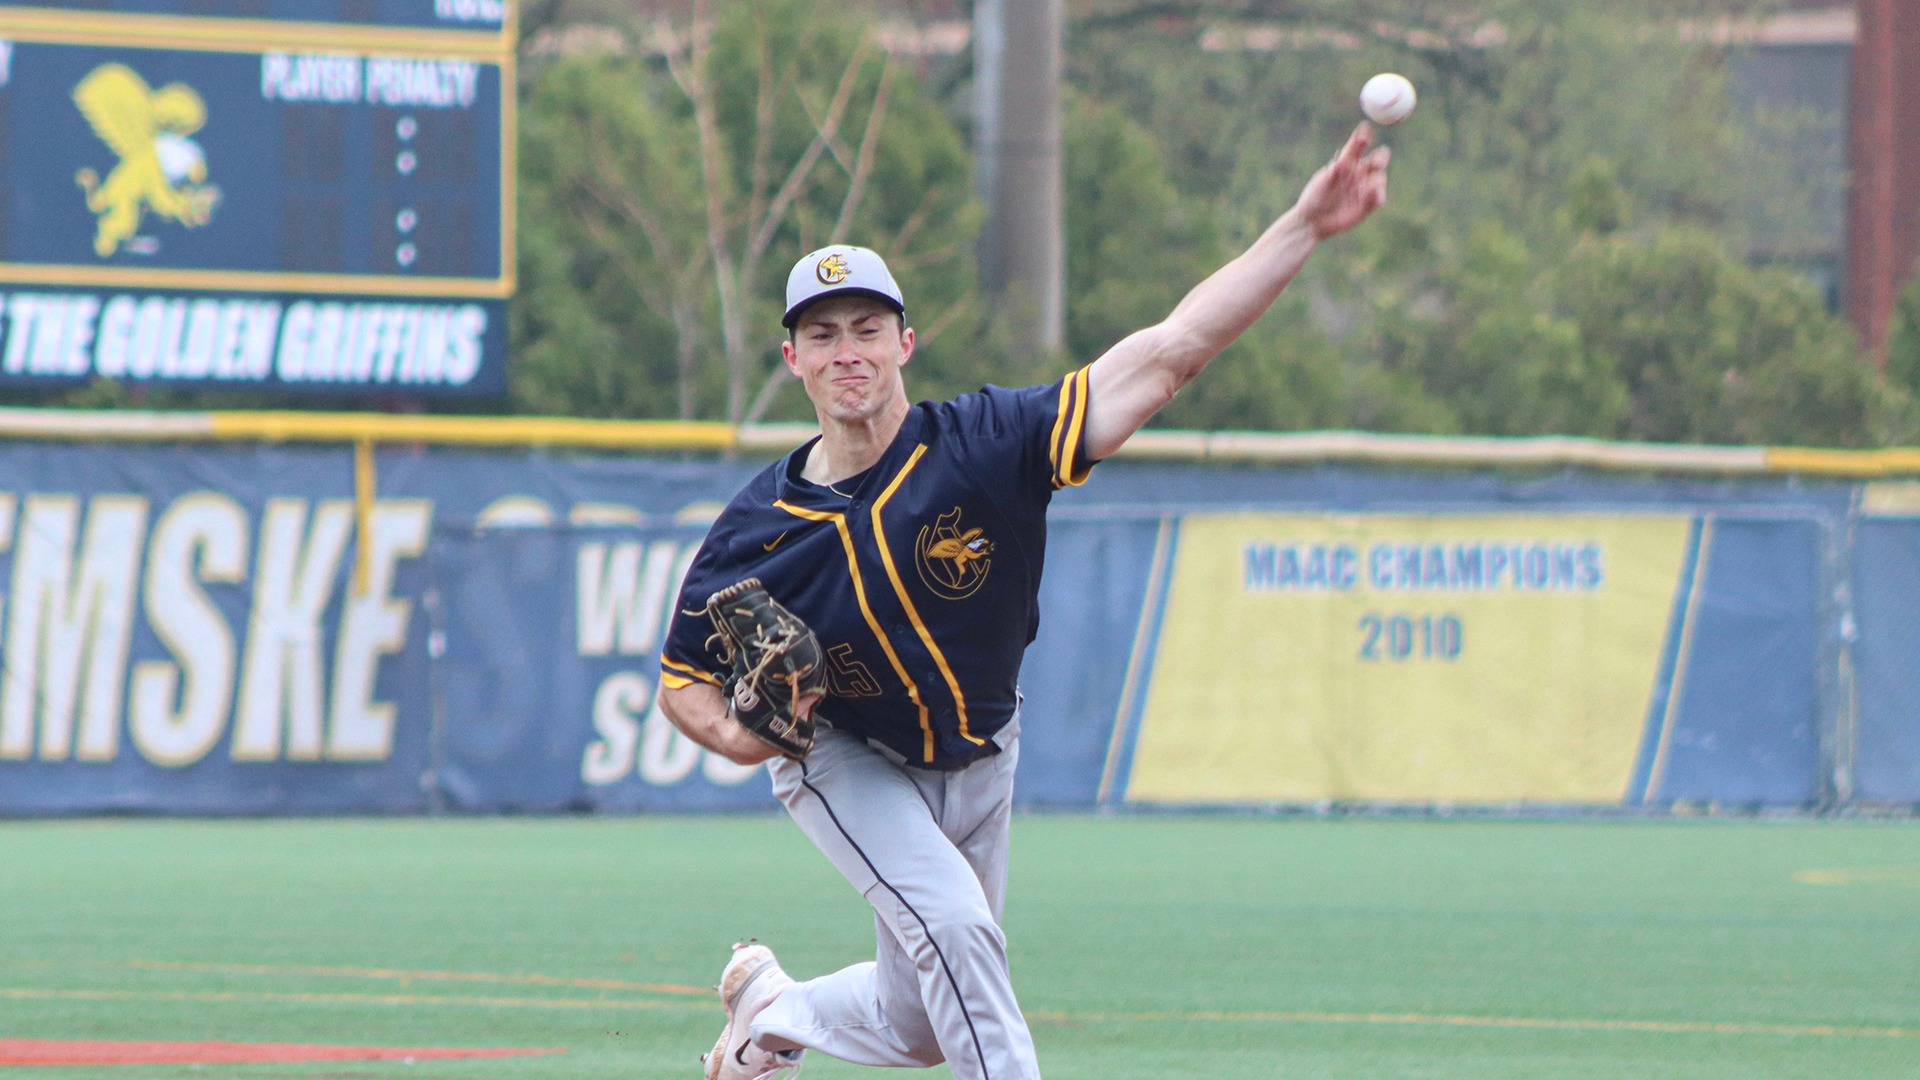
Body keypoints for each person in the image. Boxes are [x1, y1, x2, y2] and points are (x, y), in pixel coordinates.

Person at [657, 122, 1392, 1080]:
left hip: (983, 749)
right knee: (959, 930)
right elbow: (682, 678)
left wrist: (1301, 225)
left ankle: (771, 1013)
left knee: (918, 1025)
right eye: (822, 334)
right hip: (847, 757)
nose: (848, 352)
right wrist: (742, 738)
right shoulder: (757, 530)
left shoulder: (986, 445)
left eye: (868, 329)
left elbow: (1171, 354)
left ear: (905, 343)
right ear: (791, 358)